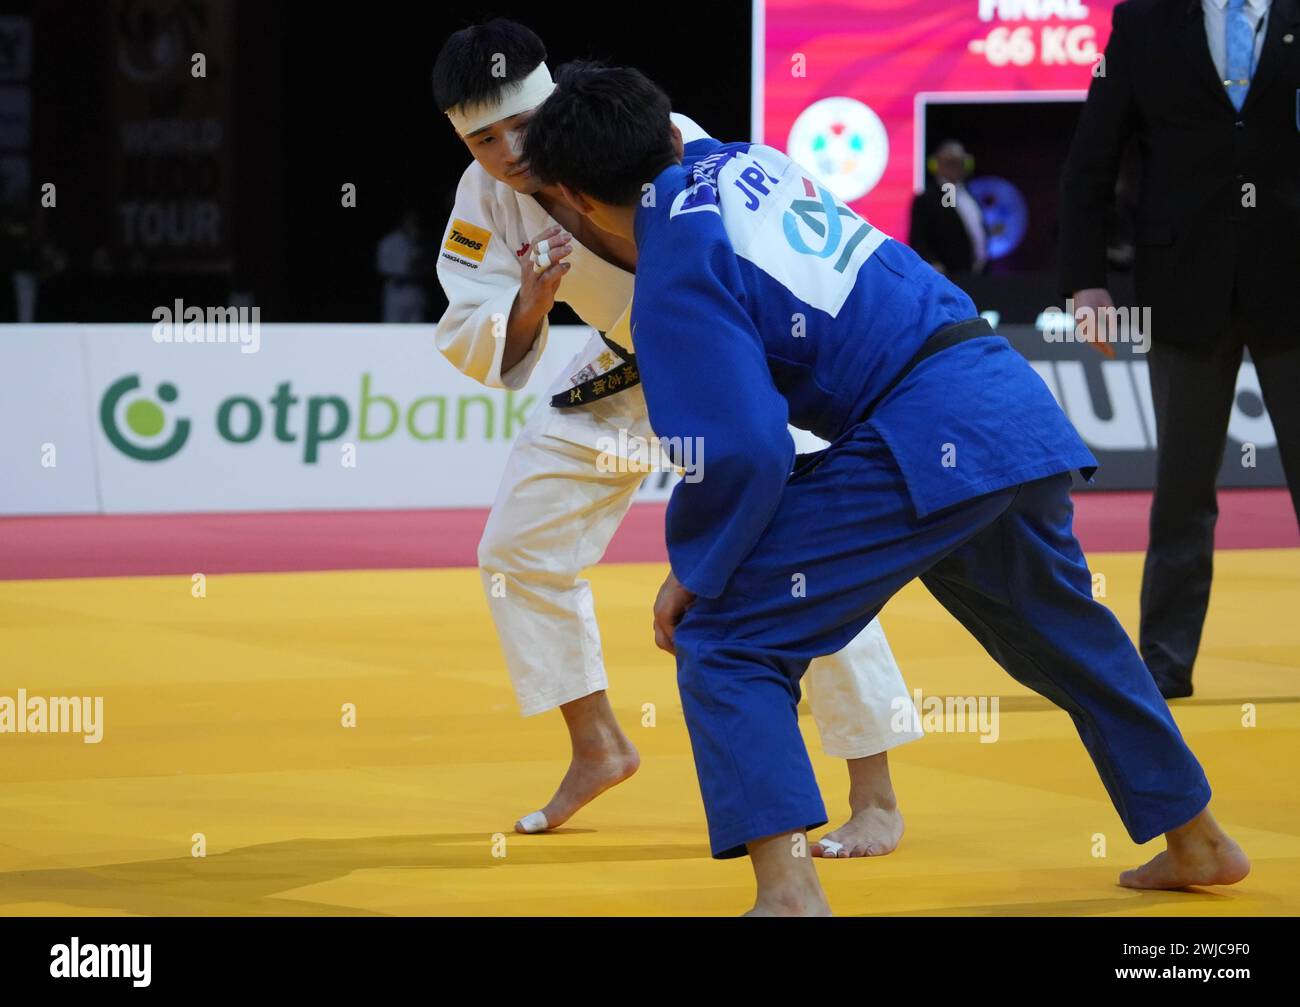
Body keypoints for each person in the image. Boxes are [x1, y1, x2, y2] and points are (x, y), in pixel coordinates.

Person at [523, 62, 1250, 916]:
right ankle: (1197, 833)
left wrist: (697, 568)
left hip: (925, 425)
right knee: (1063, 631)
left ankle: (788, 892)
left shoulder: (678, 258)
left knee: (727, 640)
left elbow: (745, 449)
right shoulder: (744, 160)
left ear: (573, 193)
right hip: (1002, 394)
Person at [432, 19, 921, 854]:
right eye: (483, 137)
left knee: (800, 557)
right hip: (622, 362)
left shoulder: (649, 136)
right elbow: (469, 319)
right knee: (517, 547)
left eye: (521, 122)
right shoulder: (482, 201)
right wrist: (532, 305)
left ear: (552, 96)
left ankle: (873, 792)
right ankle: (599, 745)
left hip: (730, 361)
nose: (509, 149)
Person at [1059, 0, 1300, 698]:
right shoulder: (1143, 22)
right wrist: (1085, 283)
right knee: (1183, 487)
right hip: (1183, 288)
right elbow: (1089, 161)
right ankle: (1165, 660)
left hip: (1292, 284)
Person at [908, 140, 987, 276]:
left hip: (977, 274)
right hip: (949, 277)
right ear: (937, 164)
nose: (955, 167)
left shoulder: (968, 193)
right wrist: (934, 265)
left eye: (959, 162)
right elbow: (919, 239)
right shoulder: (929, 198)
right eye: (950, 162)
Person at [377, 209, 433, 322]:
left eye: (414, 220)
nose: (412, 222)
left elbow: (425, 266)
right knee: (393, 327)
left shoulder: (418, 240)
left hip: (416, 291)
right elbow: (382, 268)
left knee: (416, 328)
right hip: (396, 290)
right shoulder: (389, 241)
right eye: (409, 220)